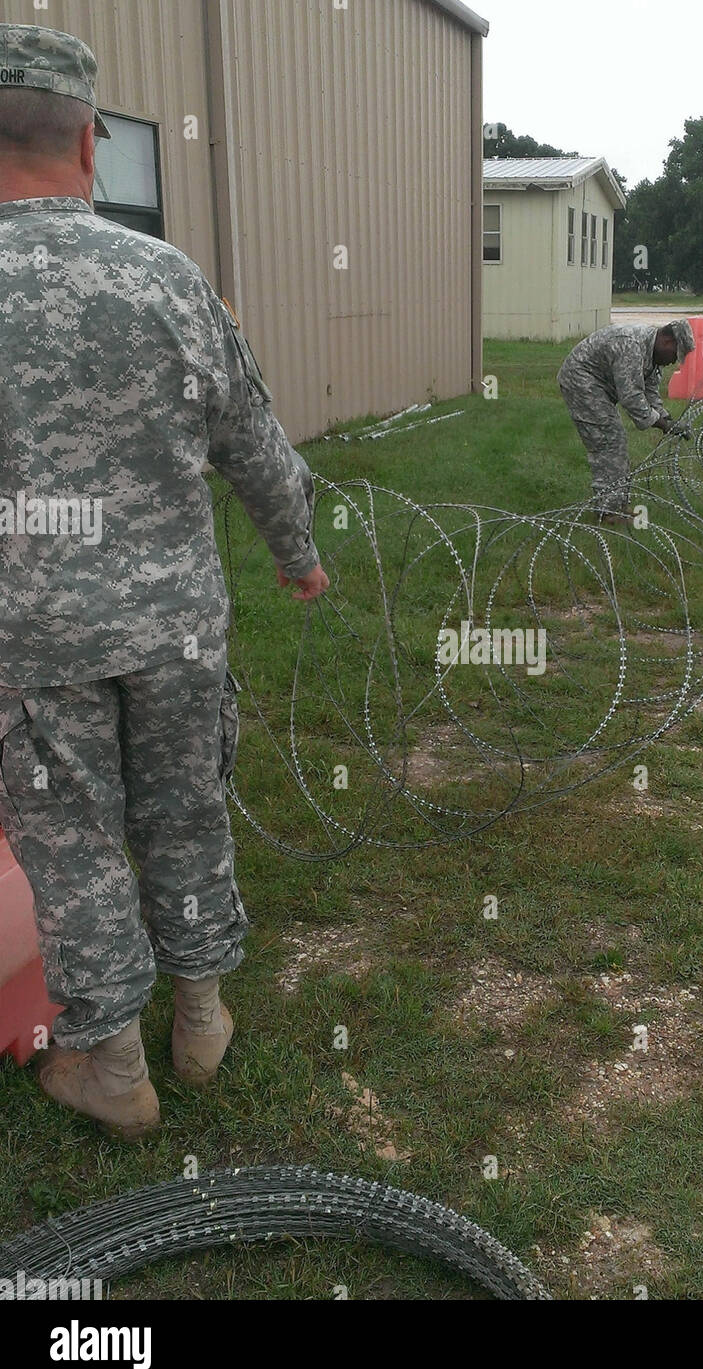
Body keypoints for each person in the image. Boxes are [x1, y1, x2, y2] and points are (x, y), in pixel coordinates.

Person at [0, 24, 330, 1140]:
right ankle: (202, 1018)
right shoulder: (170, 279)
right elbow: (256, 441)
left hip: (32, 637)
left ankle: (113, 1068)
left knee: (76, 841)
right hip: (176, 625)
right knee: (186, 815)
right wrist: (298, 553)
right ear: (90, 144)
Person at [558, 320, 694, 522]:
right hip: (582, 380)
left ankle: (617, 505)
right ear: (666, 340)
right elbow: (631, 397)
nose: (674, 361)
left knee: (615, 440)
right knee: (609, 440)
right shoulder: (631, 345)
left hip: (600, 383)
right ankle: (608, 511)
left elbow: (650, 391)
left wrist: (667, 418)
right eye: (675, 354)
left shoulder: (652, 353)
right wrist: (663, 425)